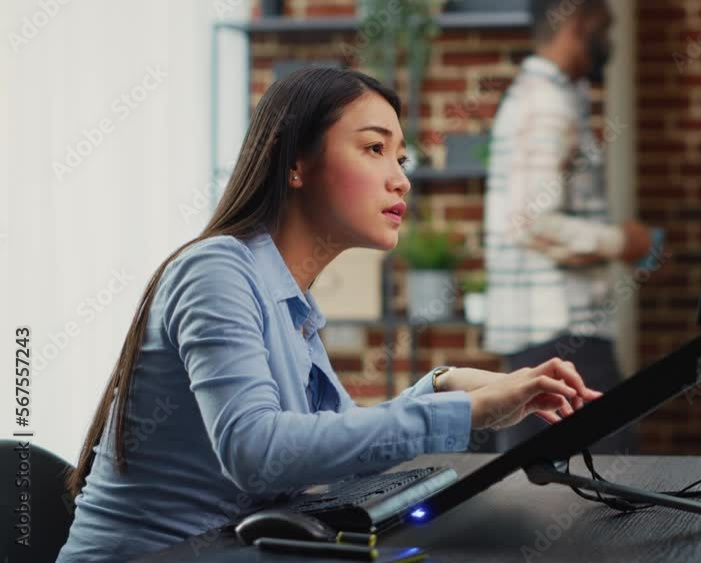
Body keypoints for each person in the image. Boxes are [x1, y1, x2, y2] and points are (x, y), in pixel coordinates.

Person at [56, 67, 601, 563]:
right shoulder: (216, 271)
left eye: (401, 158)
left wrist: (443, 387)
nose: (400, 179)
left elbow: (332, 448)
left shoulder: (292, 301)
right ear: (294, 163)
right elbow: (257, 450)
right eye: (373, 149)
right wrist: (465, 413)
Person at [483, 0, 666, 453]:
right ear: (577, 25)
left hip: (556, 330)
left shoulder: (553, 96)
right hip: (560, 332)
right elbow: (531, 220)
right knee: (617, 482)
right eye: (606, 28)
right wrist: (623, 241)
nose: (612, 41)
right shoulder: (546, 104)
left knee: (548, 486)